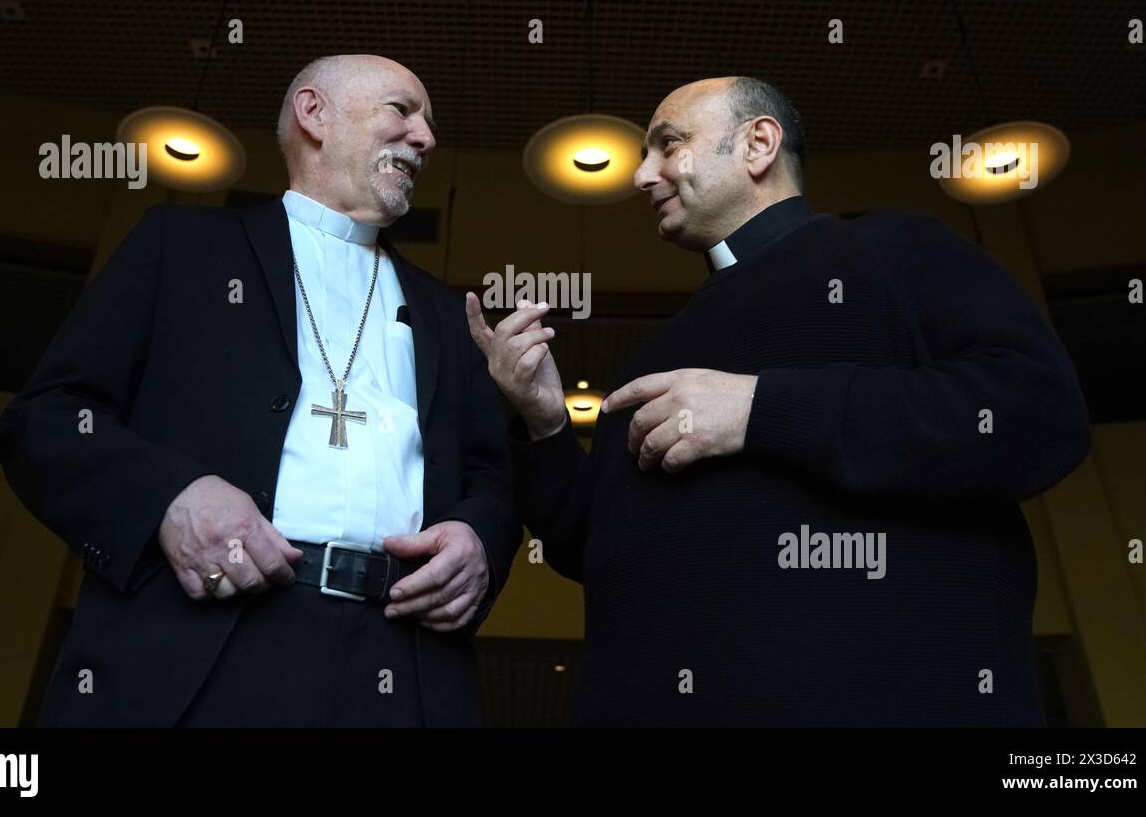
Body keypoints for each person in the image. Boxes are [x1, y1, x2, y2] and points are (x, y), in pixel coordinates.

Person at [467, 76, 1091, 725]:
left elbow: (1036, 410)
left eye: (668, 145)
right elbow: (588, 546)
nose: (643, 176)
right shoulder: (656, 357)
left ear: (758, 143)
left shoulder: (895, 251)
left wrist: (759, 408)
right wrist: (543, 420)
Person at [0, 54, 520, 727]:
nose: (426, 138)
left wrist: (479, 541)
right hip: (204, 648)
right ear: (313, 114)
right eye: (403, 110)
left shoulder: (449, 313)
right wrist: (169, 497)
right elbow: (44, 419)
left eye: (429, 123)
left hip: (403, 665)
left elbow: (491, 480)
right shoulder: (180, 248)